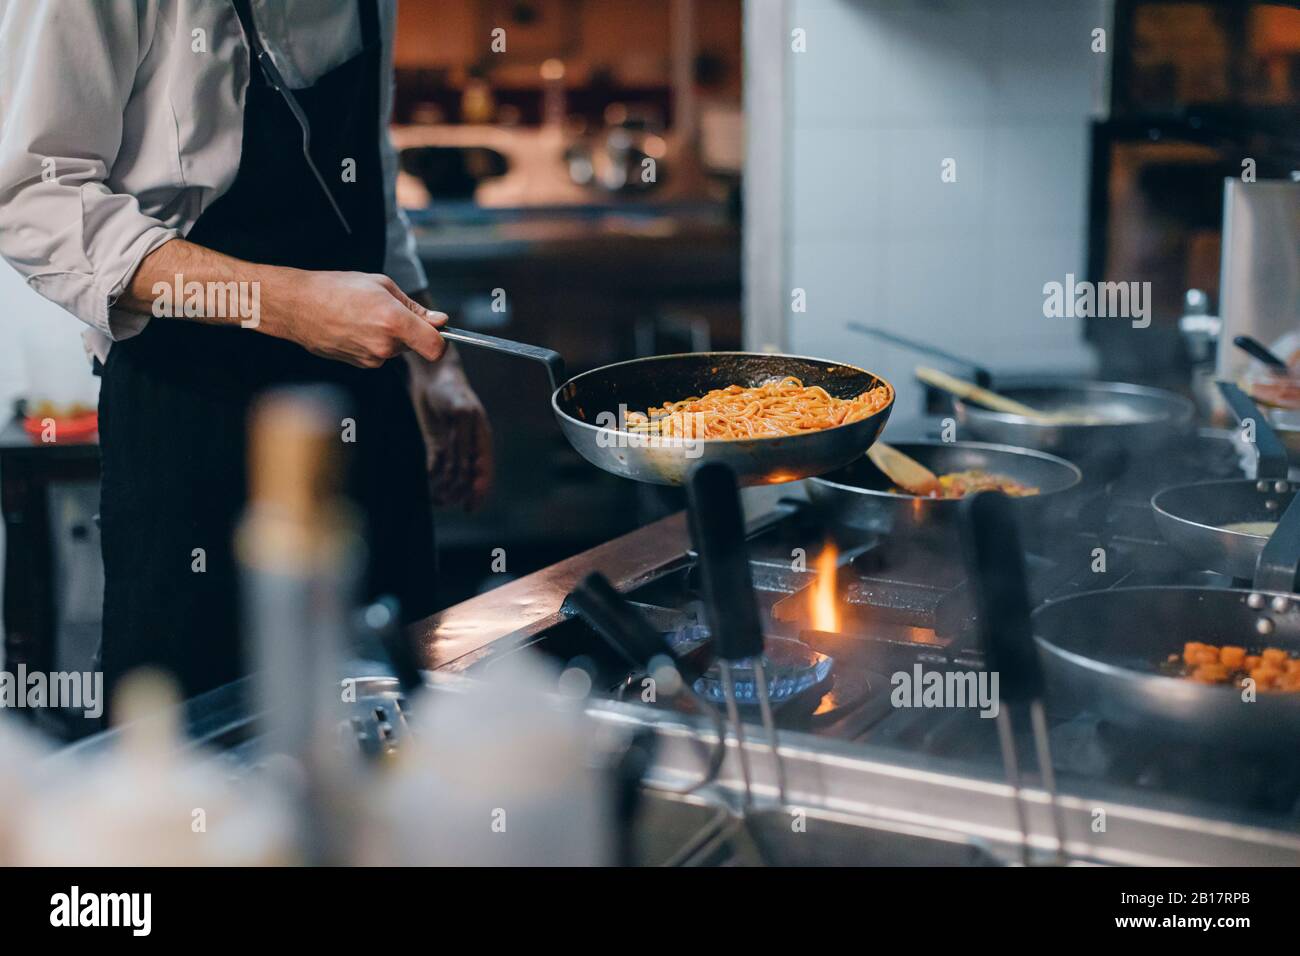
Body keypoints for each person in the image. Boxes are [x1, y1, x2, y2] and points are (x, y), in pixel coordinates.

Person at [0, 0, 491, 703]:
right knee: (198, 753)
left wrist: (435, 364)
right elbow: (30, 200)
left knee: (392, 722)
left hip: (366, 412)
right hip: (194, 421)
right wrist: (286, 304)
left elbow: (368, 168)